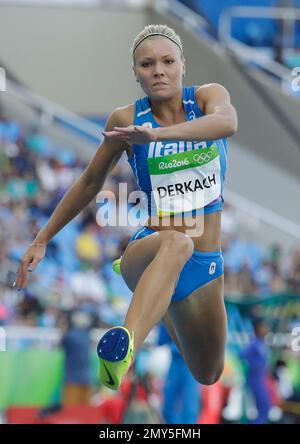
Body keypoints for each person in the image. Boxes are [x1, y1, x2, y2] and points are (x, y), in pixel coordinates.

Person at [16, 24, 238, 391]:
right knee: (177, 243)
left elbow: (227, 122)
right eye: (147, 64)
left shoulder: (206, 99)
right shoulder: (125, 119)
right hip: (153, 247)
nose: (158, 71)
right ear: (135, 73)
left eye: (167, 61)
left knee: (208, 372)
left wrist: (157, 137)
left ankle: (160, 298)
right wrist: (42, 238)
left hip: (206, 260)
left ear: (183, 63)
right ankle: (121, 349)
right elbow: (89, 183)